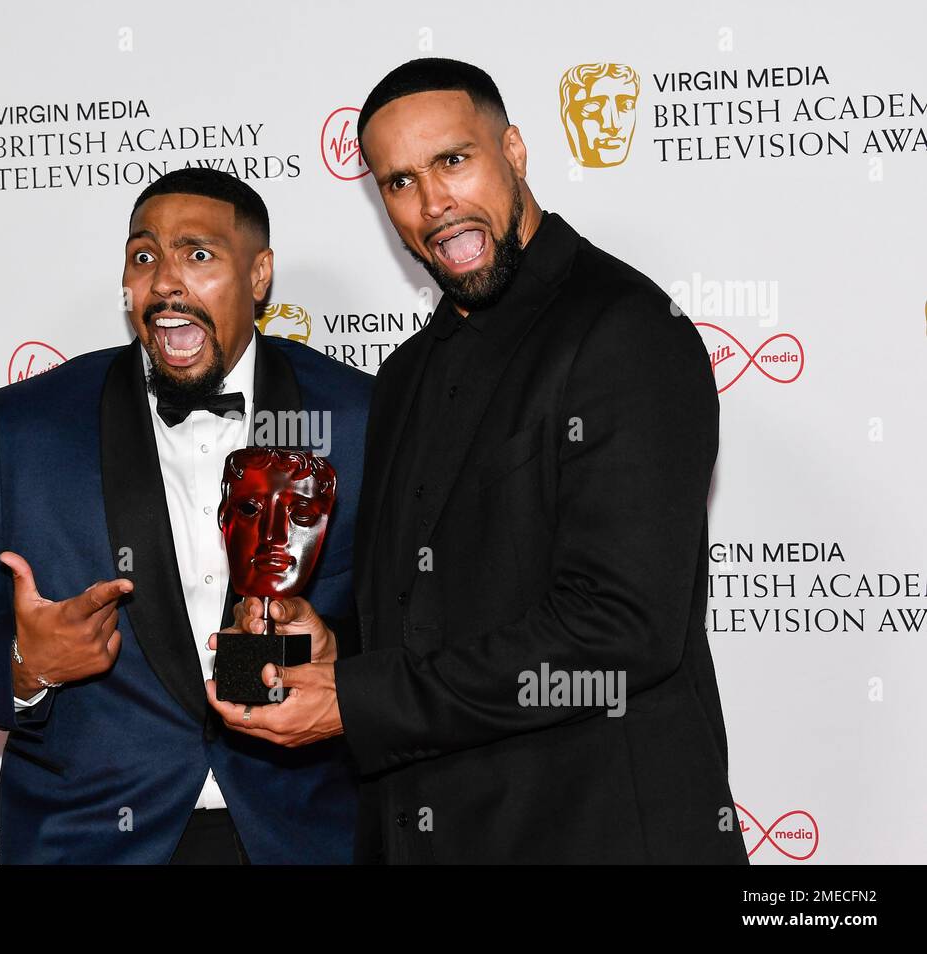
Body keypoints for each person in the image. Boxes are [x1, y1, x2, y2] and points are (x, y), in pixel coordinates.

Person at [207, 58, 748, 864]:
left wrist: (357, 700)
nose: (433, 203)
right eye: (399, 182)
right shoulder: (404, 376)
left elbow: (620, 628)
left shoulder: (626, 330)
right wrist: (336, 651)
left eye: (453, 161)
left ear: (514, 151)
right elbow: (437, 608)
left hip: (596, 836)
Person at [0, 167, 370, 863]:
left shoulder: (359, 417)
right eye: (144, 256)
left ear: (259, 274)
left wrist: (336, 655)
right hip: (92, 843)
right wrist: (27, 664)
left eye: (198, 254)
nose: (166, 282)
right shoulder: (23, 429)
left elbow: (429, 645)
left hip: (302, 839)